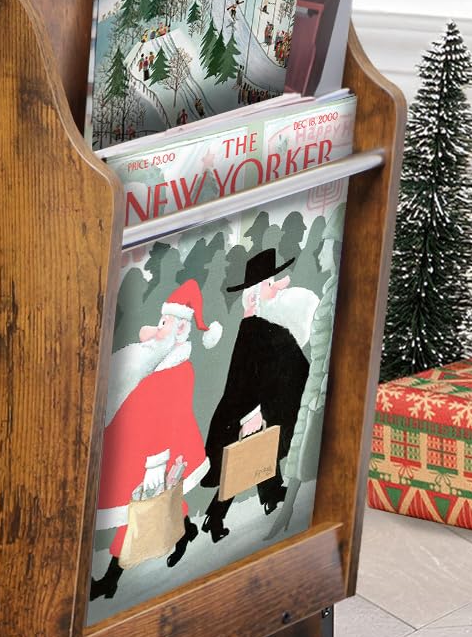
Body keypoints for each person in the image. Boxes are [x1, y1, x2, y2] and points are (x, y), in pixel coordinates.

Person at [90, 279, 222, 601]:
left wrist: (155, 461)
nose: (156, 329)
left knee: (135, 512)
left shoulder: (177, 371)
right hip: (144, 452)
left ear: (180, 329)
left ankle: (110, 580)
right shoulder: (157, 364)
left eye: (164, 323)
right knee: (156, 505)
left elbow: (168, 419)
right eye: (160, 321)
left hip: (156, 457)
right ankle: (185, 532)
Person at [198, 248, 316, 539]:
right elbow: (243, 381)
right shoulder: (255, 329)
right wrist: (254, 413)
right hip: (248, 410)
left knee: (260, 452)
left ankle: (270, 494)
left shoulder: (263, 326)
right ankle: (216, 516)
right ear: (253, 296)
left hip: (259, 406)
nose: (276, 288)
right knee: (245, 459)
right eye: (269, 285)